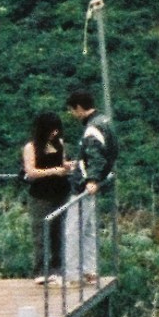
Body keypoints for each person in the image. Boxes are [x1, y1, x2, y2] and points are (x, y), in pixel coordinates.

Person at [60, 91, 111, 284]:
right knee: (88, 228)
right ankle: (90, 271)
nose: (73, 115)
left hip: (83, 185)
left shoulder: (92, 129)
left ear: (79, 108)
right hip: (91, 182)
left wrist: (92, 179)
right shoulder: (104, 121)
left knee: (73, 229)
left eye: (73, 111)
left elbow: (96, 156)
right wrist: (79, 163)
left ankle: (72, 275)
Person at [19, 110, 75, 282]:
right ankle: (40, 270)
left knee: (59, 233)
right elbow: (31, 171)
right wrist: (53, 171)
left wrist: (67, 167)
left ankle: (57, 269)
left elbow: (62, 162)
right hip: (41, 194)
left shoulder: (59, 143)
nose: (55, 133)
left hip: (60, 192)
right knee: (41, 233)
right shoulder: (31, 147)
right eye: (51, 129)